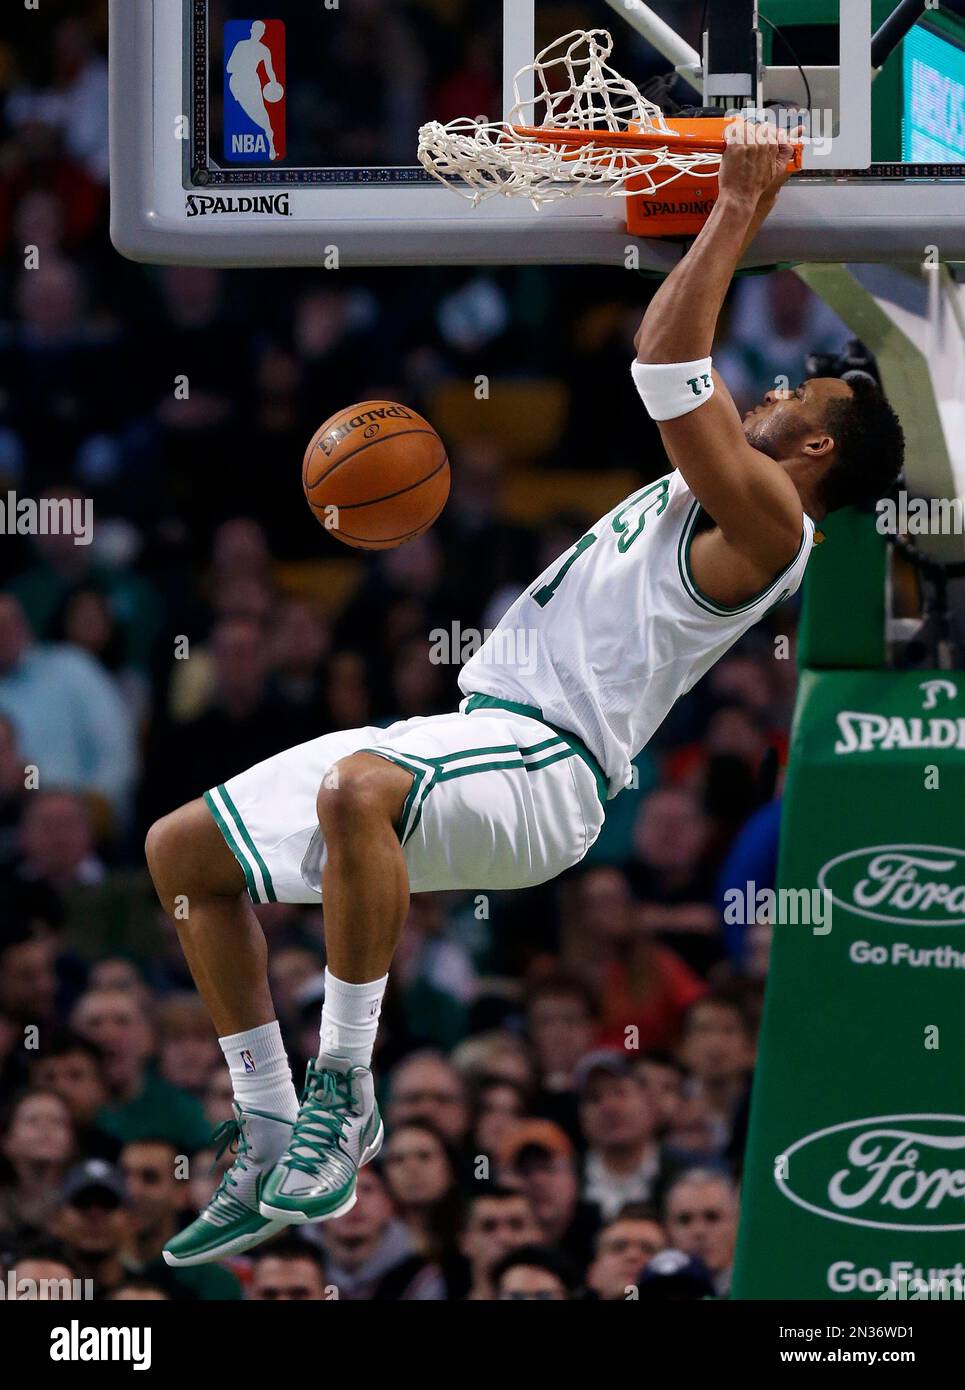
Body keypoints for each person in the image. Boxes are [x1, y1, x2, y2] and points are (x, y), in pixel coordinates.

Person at [144, 121, 905, 1265]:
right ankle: (265, 1117)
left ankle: (343, 1089)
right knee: (180, 852)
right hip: (475, 732)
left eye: (807, 394)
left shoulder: (771, 522)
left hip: (549, 770)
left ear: (816, 457)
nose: (787, 384)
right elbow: (668, 348)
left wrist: (737, 207)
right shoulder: (726, 486)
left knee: (361, 790)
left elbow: (660, 361)